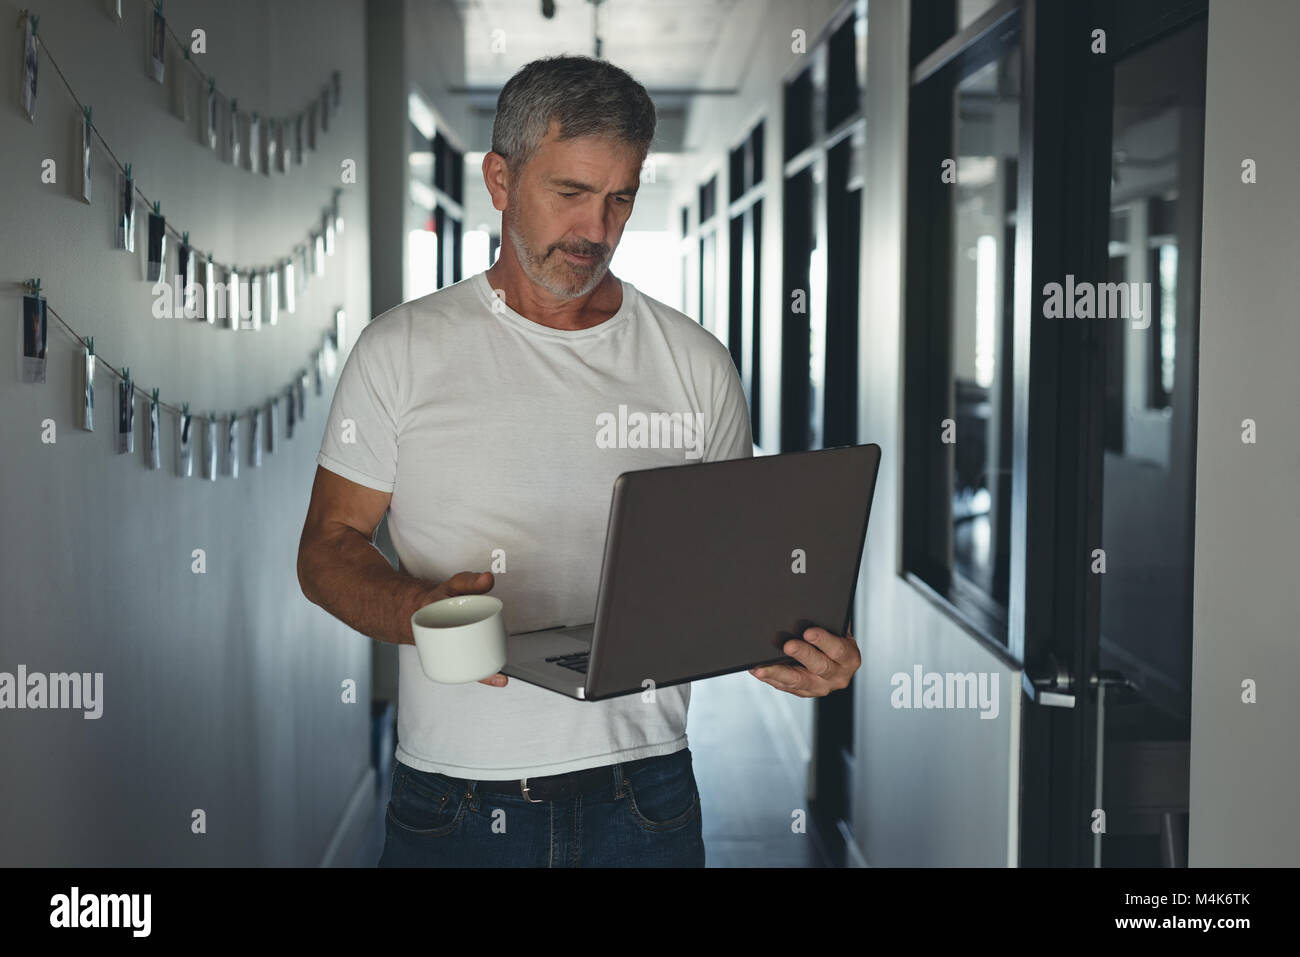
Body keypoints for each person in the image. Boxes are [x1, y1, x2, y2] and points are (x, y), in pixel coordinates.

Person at [296, 55, 860, 868]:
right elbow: (327, 548)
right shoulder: (401, 349)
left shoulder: (696, 363)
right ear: (500, 178)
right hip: (455, 798)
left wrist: (808, 643)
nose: (597, 230)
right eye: (570, 193)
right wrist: (421, 612)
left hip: (646, 794)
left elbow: (739, 573)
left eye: (620, 197)